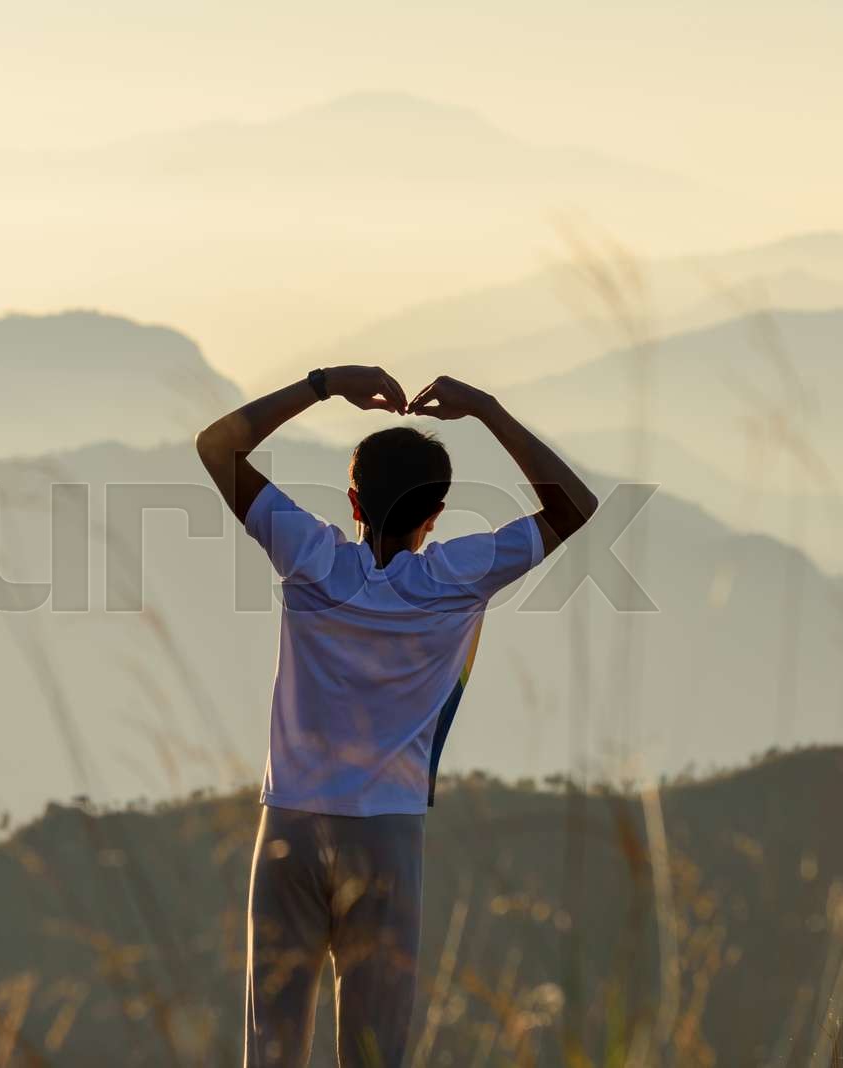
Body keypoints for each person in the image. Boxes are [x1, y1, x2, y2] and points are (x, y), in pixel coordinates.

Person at [195, 367, 597, 1067]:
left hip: (290, 820)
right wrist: (488, 408)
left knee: (273, 1049)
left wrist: (321, 386)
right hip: (387, 833)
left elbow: (216, 446)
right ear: (435, 515)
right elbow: (573, 507)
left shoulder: (310, 557)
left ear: (352, 500)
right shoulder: (459, 577)